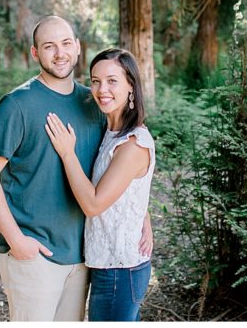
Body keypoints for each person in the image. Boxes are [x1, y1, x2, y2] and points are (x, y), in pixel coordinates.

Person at [0, 16, 151, 322]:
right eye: (49, 46)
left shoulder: (93, 102)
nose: (59, 53)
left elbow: (116, 166)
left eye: (66, 43)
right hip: (35, 254)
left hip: (83, 256)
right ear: (35, 53)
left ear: (78, 47)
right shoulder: (17, 105)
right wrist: (17, 241)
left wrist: (141, 216)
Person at [45, 47, 156, 321]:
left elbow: (94, 204)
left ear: (131, 86)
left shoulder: (132, 144)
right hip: (109, 264)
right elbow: (133, 190)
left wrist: (67, 153)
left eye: (112, 81)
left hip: (120, 269)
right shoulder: (112, 132)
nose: (101, 89)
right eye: (95, 80)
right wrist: (145, 217)